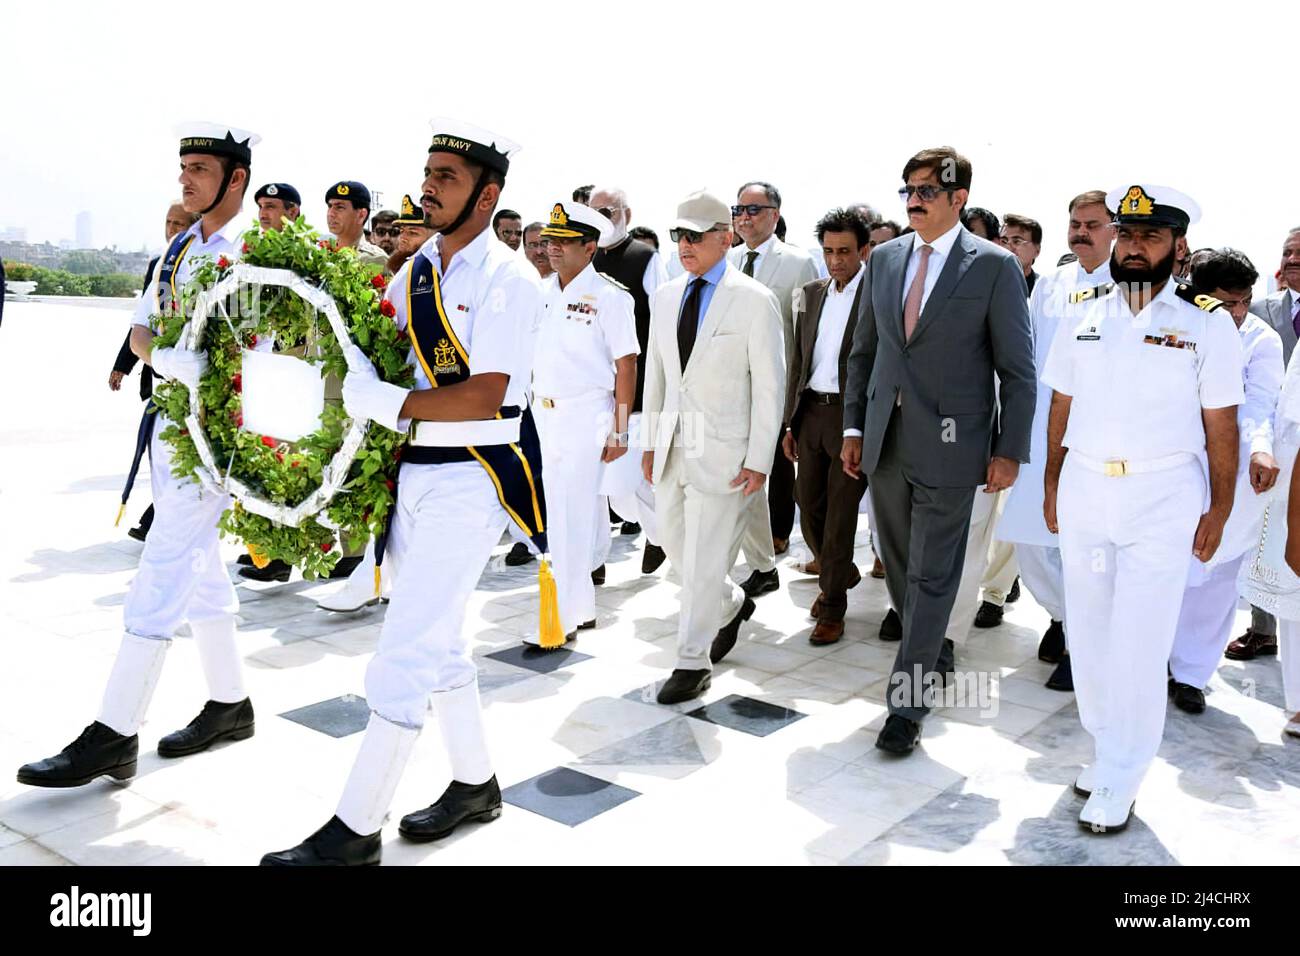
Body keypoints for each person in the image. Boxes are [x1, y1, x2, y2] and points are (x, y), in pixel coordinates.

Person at [263, 120, 546, 866]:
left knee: (405, 647)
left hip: (473, 477)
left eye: (447, 177)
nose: (428, 186)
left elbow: (486, 394)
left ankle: (356, 828)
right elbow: (375, 350)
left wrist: (384, 404)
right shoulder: (414, 271)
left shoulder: (509, 278)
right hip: (413, 472)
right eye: (428, 172)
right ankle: (475, 783)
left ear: (487, 196)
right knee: (442, 643)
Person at [18, 122, 263, 790]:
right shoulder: (181, 247)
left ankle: (114, 732)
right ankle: (230, 702)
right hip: (169, 420)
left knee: (162, 569)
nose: (185, 179)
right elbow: (141, 329)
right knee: (202, 569)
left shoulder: (259, 251)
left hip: (217, 436)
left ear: (235, 178)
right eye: (182, 167)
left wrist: (202, 369)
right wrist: (174, 360)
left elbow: (269, 347)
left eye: (200, 168)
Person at [1042, 183, 1243, 831]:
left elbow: (1222, 424)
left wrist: (1220, 506)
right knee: (1091, 630)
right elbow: (1061, 405)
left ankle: (1126, 770)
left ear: (1176, 246)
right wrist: (1051, 482)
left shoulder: (1207, 320)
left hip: (1162, 495)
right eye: (1127, 235)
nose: (1133, 247)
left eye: (1150, 236)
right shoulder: (1084, 307)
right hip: (1086, 490)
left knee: (1138, 637)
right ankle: (1106, 749)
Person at [841, 146, 1035, 756]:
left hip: (956, 444)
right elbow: (863, 353)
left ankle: (908, 700)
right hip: (887, 442)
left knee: (933, 572)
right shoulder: (886, 259)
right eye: (909, 190)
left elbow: (1018, 370)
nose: (916, 201)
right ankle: (930, 644)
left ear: (959, 199)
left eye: (928, 190)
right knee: (901, 567)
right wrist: (853, 428)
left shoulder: (994, 267)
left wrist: (1010, 449)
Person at [641, 190, 784, 705]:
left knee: (701, 560)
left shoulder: (753, 300)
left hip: (725, 453)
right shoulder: (664, 295)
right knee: (676, 549)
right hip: (674, 445)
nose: (685, 245)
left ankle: (690, 661)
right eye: (680, 235)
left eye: (697, 236)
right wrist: (649, 440)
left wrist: (759, 460)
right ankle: (729, 603)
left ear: (726, 238)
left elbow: (770, 387)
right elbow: (658, 377)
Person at [997, 189, 1114, 691]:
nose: (1081, 232)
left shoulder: (1131, 288)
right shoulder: (1050, 285)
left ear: (1114, 230)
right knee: (1029, 540)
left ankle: (1082, 642)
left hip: (1094, 438)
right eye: (1075, 223)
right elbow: (1022, 355)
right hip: (1040, 428)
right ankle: (1065, 618)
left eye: (1092, 224)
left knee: (1080, 545)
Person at [1168, 249, 1282, 713]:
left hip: (1231, 472)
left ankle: (1191, 674)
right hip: (1171, 467)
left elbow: (1260, 404)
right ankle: (1149, 663)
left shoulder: (1262, 339)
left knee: (1216, 577)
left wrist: (1260, 448)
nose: (1237, 313)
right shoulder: (1170, 323)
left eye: (1244, 302)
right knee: (1167, 570)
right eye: (1226, 302)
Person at [521, 201, 637, 645]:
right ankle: (580, 607)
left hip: (585, 414)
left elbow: (626, 366)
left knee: (570, 517)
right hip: (544, 413)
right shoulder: (543, 291)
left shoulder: (610, 297)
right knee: (566, 514)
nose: (552, 250)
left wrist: (620, 428)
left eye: (564, 243)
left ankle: (561, 617)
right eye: (550, 241)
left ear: (590, 247)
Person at [728, 181, 819, 594]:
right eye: (739, 210)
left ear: (775, 214)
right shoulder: (725, 260)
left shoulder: (798, 263)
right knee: (740, 468)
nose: (744, 217)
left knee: (778, 463)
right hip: (730, 384)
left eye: (754, 209)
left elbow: (806, 330)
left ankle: (779, 534)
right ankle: (762, 558)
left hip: (777, 381)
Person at [784, 208, 870, 645]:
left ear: (863, 250)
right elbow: (799, 359)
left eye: (844, 251)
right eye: (829, 251)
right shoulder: (812, 292)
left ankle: (832, 604)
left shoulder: (876, 293)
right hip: (811, 413)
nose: (836, 260)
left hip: (851, 420)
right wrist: (789, 423)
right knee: (808, 505)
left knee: (840, 517)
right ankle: (841, 573)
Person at [589, 185, 670, 573]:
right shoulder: (582, 257)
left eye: (610, 211)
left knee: (622, 485)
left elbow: (663, 322)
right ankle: (656, 537)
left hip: (637, 391)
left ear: (627, 214)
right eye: (595, 211)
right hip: (594, 392)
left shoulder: (645, 258)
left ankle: (668, 538)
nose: (603, 218)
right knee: (615, 493)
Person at [110, 200, 201, 541]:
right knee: (162, 455)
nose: (173, 229)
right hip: (160, 376)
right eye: (169, 222)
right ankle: (159, 518)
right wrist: (124, 365)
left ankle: (158, 520)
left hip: (197, 381)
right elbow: (144, 323)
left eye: (180, 223)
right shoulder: (159, 266)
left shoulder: (212, 262)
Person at [1232, 227, 1300, 660]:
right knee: (1265, 532)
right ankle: (1263, 628)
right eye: (1288, 252)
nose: (1293, 258)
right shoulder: (1258, 310)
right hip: (1267, 441)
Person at [324, 180, 387, 270]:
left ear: (361, 215)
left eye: (340, 207)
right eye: (330, 206)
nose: (331, 214)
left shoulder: (376, 259)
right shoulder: (321, 253)